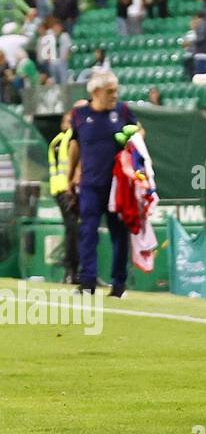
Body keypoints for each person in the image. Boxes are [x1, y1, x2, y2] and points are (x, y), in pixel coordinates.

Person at [66, 70, 137, 296]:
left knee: (119, 234)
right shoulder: (79, 114)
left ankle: (119, 285)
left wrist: (132, 138)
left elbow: (140, 131)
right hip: (90, 185)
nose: (115, 95)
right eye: (110, 91)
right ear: (96, 92)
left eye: (116, 90)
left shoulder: (123, 111)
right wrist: (70, 176)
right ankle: (87, 283)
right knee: (87, 231)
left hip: (117, 186)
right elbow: (75, 145)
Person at [48, 109, 78, 284]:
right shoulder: (66, 139)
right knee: (74, 229)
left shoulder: (55, 142)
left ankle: (73, 271)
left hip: (61, 190)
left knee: (74, 229)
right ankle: (72, 270)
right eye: (69, 120)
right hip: (66, 190)